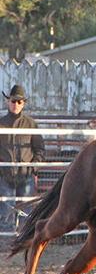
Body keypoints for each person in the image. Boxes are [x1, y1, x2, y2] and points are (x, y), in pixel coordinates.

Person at [0, 85, 45, 232]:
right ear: (8, 101)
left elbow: (39, 149)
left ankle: (23, 243)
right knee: (6, 214)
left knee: (26, 213)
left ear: (23, 103)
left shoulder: (31, 124)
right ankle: (6, 245)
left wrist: (33, 168)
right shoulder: (1, 123)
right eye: (13, 101)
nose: (16, 104)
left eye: (19, 102)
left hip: (26, 176)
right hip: (5, 176)